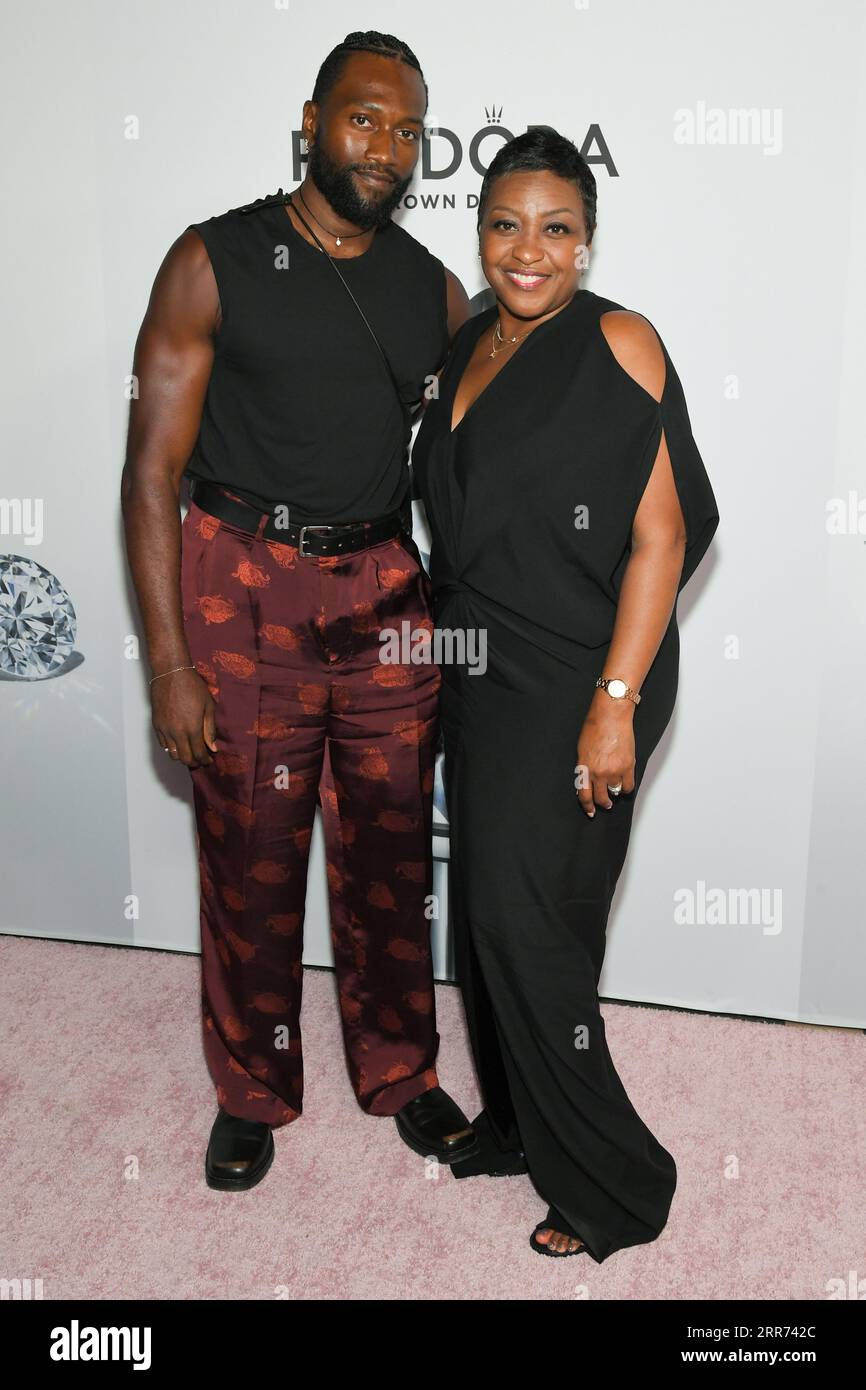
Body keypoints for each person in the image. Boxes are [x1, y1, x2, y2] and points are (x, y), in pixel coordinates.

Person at [120, 30, 481, 1191]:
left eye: (407, 128)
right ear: (312, 120)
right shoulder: (211, 260)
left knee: (389, 855)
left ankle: (402, 1072)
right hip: (239, 584)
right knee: (249, 857)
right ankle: (253, 1089)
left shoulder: (433, 289)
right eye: (364, 118)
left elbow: (491, 458)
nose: (385, 145)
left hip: (381, 593)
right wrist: (168, 664)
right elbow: (147, 472)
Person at [411, 127, 720, 1261]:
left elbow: (660, 535)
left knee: (524, 922)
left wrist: (614, 702)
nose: (525, 251)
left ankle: (614, 1183)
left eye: (554, 229)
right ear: (479, 229)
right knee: (493, 923)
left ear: (585, 241)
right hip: (484, 671)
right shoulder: (462, 352)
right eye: (503, 224)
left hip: (587, 669)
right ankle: (516, 1121)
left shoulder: (617, 341)